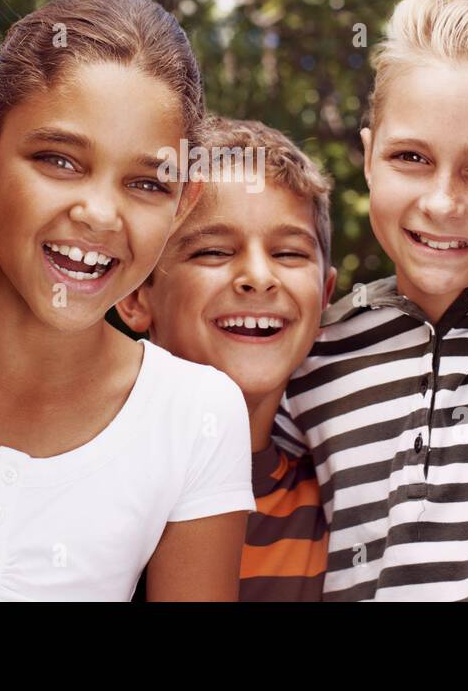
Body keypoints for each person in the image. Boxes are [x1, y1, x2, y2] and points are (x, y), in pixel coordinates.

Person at [0, 0, 254, 602]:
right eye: (59, 162)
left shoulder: (195, 416)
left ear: (182, 206)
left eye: (147, 183)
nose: (99, 214)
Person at [118, 116, 337, 600]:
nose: (258, 277)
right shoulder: (95, 463)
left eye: (289, 254)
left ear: (325, 296)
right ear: (135, 296)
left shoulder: (338, 492)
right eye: (214, 252)